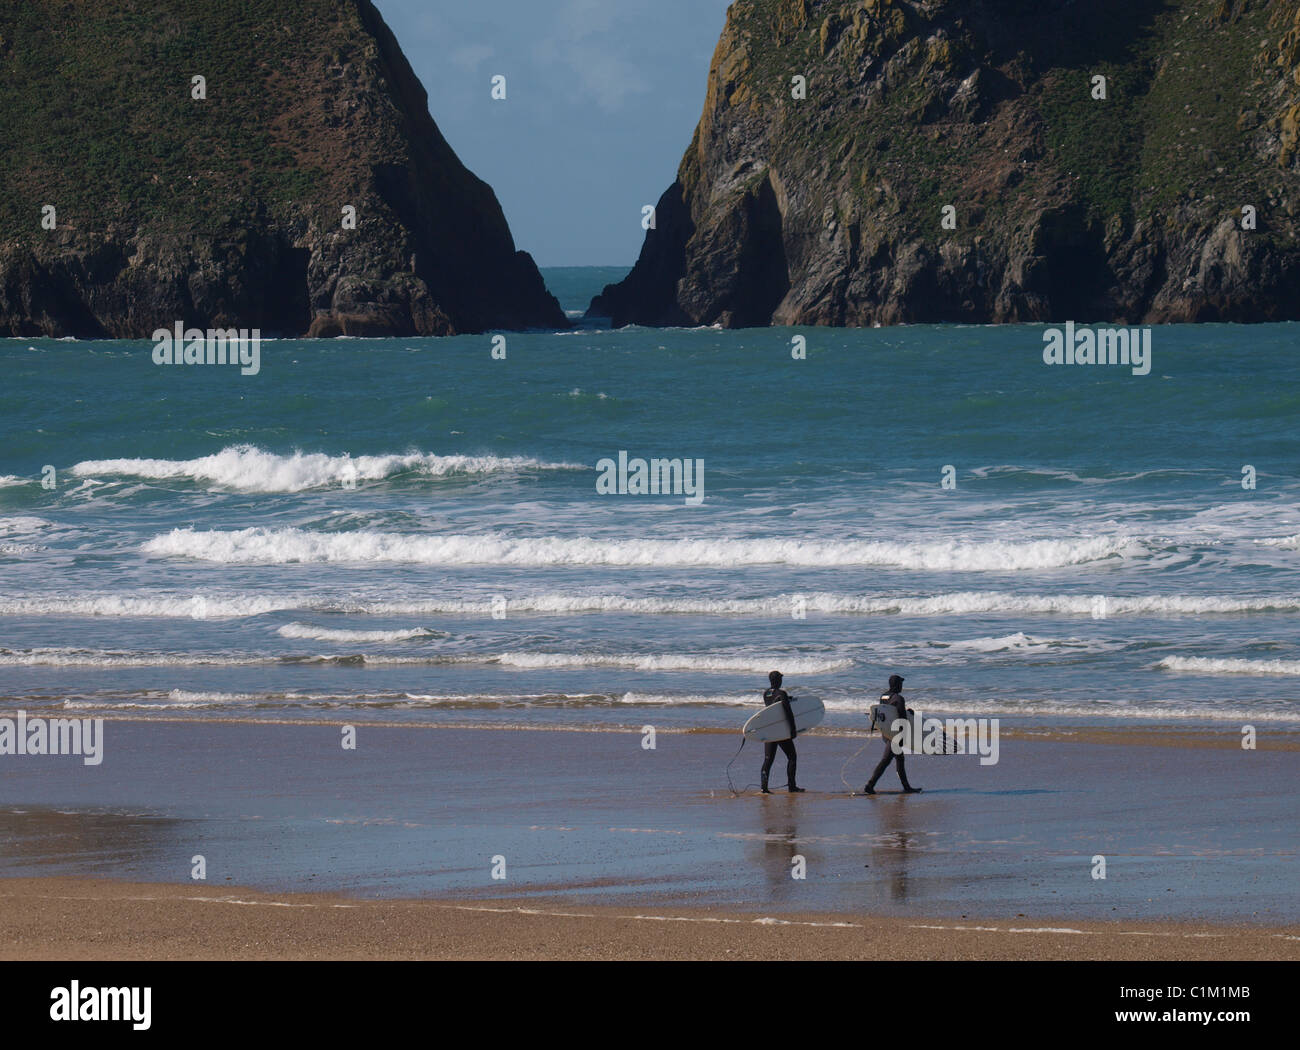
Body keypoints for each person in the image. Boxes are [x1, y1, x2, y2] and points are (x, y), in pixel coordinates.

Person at [864, 674, 921, 794]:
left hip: (886, 732)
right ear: (897, 685)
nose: (902, 686)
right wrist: (904, 734)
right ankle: (870, 785)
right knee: (886, 760)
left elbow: (888, 713)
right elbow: (901, 718)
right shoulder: (899, 698)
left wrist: (907, 712)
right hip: (896, 734)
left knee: (900, 759)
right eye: (901, 683)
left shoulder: (884, 696)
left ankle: (907, 787)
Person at [760, 670, 805, 793]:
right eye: (780, 679)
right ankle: (792, 786)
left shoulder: (766, 693)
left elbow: (774, 705)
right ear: (778, 680)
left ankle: (764, 788)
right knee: (792, 757)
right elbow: (788, 713)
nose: (781, 681)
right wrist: (793, 729)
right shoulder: (782, 693)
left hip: (770, 730)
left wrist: (786, 699)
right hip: (780, 731)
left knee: (768, 760)